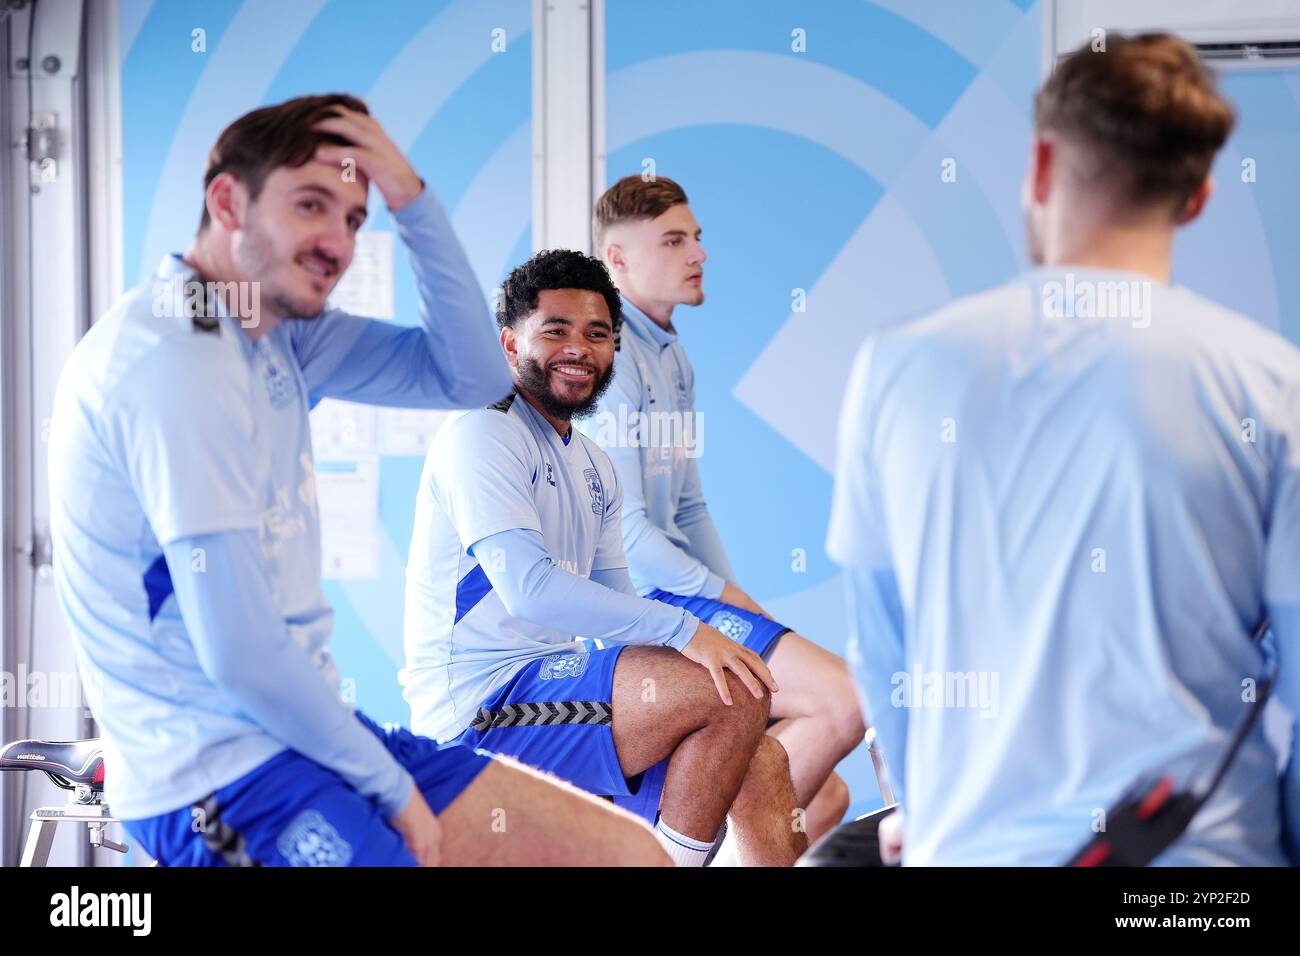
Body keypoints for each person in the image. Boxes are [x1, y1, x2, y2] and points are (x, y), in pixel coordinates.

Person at [49, 94, 668, 866]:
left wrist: (411, 198)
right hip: (215, 775)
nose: (336, 242)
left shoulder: (276, 337)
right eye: (311, 205)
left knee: (627, 857)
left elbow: (472, 374)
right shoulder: (175, 359)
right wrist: (394, 792)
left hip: (307, 734)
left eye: (352, 217)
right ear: (226, 201)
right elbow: (238, 652)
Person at [828, 34, 1300, 865]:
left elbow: (884, 654)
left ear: (1041, 167)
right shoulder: (1271, 384)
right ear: (1195, 199)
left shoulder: (899, 369)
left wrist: (935, 823)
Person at [402, 248, 808, 866]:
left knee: (763, 755)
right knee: (731, 693)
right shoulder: (480, 435)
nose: (579, 348)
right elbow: (532, 591)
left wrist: (686, 654)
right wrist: (687, 632)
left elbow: (616, 606)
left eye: (597, 334)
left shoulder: (592, 462)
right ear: (511, 346)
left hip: (556, 690)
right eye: (555, 330)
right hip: (479, 709)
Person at [579, 175, 865, 840]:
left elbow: (688, 508)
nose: (697, 253)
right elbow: (623, 533)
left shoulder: (671, 357)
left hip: (690, 595)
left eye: (697, 238)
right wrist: (719, 594)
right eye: (673, 240)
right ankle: (694, 844)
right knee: (845, 702)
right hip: (650, 610)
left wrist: (738, 597)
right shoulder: (614, 362)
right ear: (617, 261)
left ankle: (712, 834)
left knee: (824, 803)